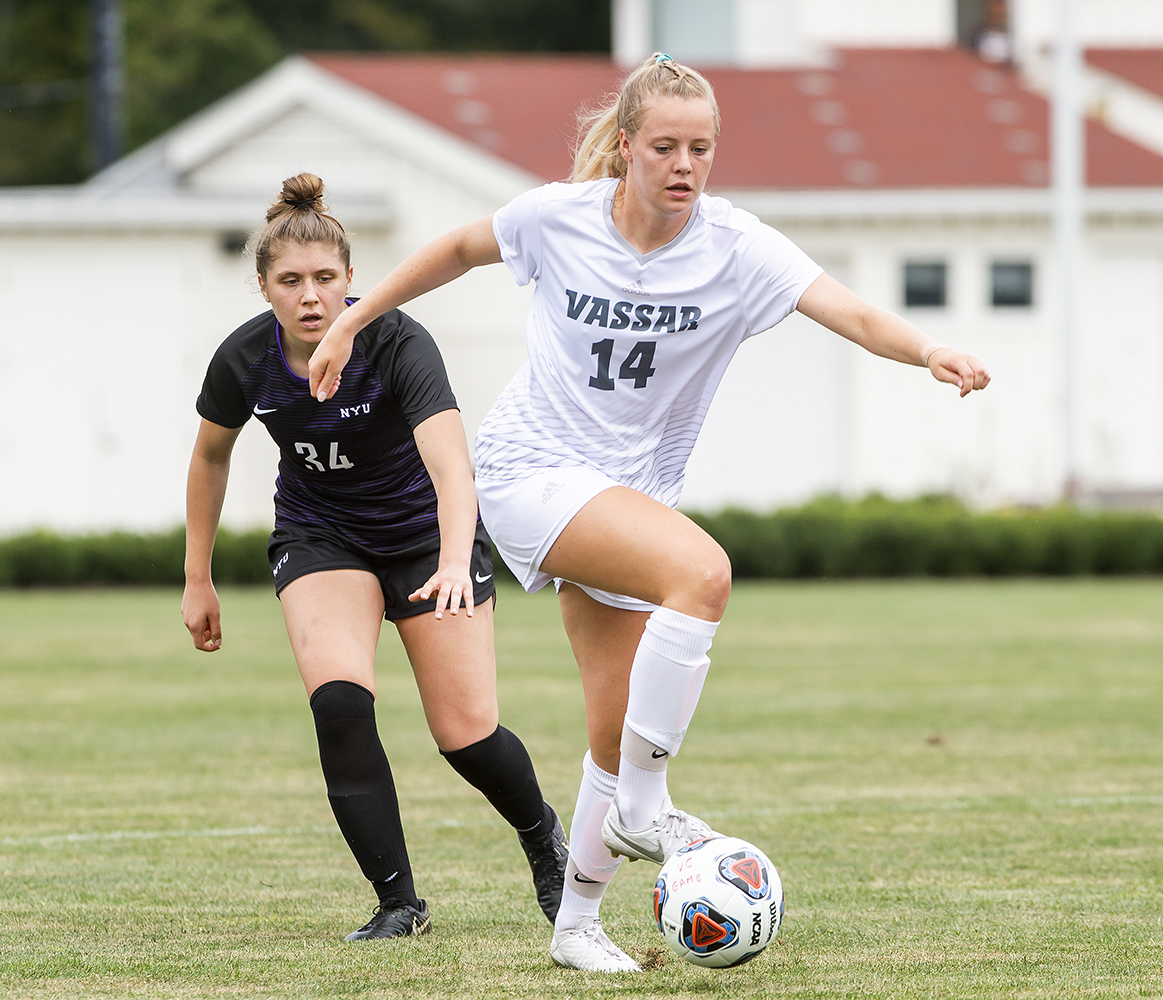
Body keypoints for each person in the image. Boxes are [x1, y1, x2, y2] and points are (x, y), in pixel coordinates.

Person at [304, 54, 990, 971]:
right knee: (701, 573)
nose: (684, 164)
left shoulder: (737, 247)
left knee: (610, 725)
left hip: (627, 496)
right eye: (664, 145)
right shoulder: (561, 218)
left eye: (701, 148)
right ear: (625, 148)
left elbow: (851, 312)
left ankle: (578, 924)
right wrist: (353, 318)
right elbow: (461, 248)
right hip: (528, 471)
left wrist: (929, 347)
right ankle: (646, 806)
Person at [181, 174, 568, 942]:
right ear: (264, 287)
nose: (310, 295)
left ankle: (544, 840)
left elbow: (454, 469)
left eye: (325, 278)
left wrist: (456, 561)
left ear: (351, 279)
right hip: (321, 536)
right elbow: (210, 456)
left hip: (427, 539)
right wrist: (198, 576)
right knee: (340, 704)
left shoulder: (395, 341)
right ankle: (399, 903)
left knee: (466, 734)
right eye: (290, 281)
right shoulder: (245, 360)